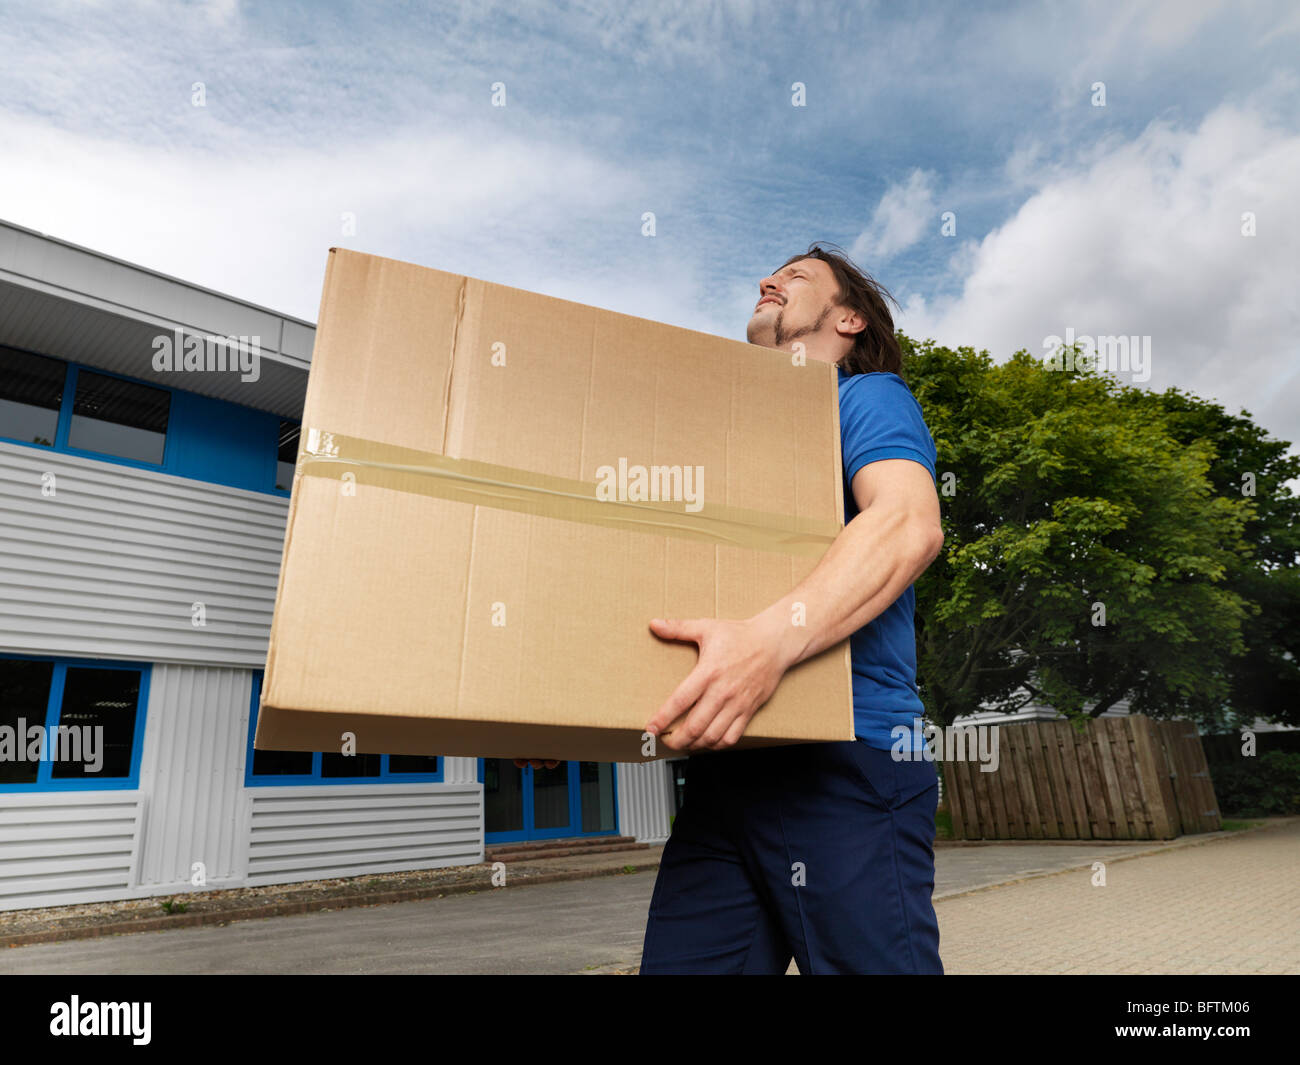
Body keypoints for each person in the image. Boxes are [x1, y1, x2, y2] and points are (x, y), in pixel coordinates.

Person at [635, 242, 945, 974]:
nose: (768, 280)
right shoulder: (733, 449)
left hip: (847, 760)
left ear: (849, 318)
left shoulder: (864, 397)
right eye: (767, 275)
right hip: (729, 768)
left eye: (797, 276)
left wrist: (772, 643)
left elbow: (909, 522)